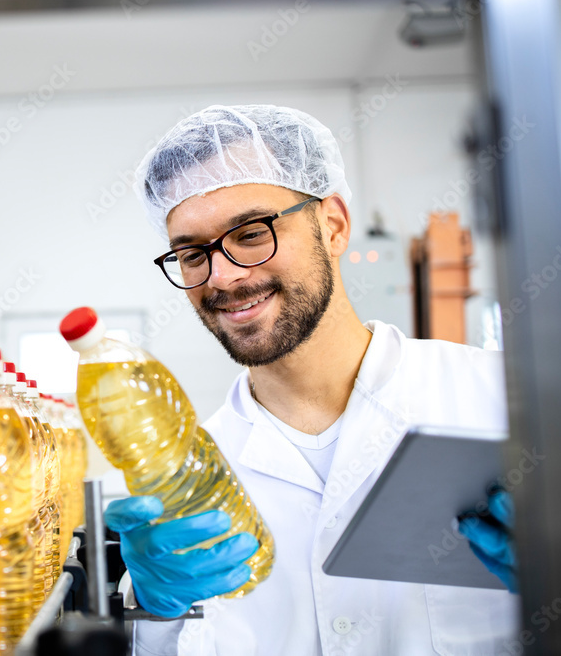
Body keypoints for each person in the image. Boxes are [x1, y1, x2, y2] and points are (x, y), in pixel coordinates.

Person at [106, 105, 519, 655]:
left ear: (334, 226)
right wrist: (155, 612)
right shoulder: (191, 486)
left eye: (251, 233)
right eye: (191, 253)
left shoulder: (506, 403)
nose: (222, 276)